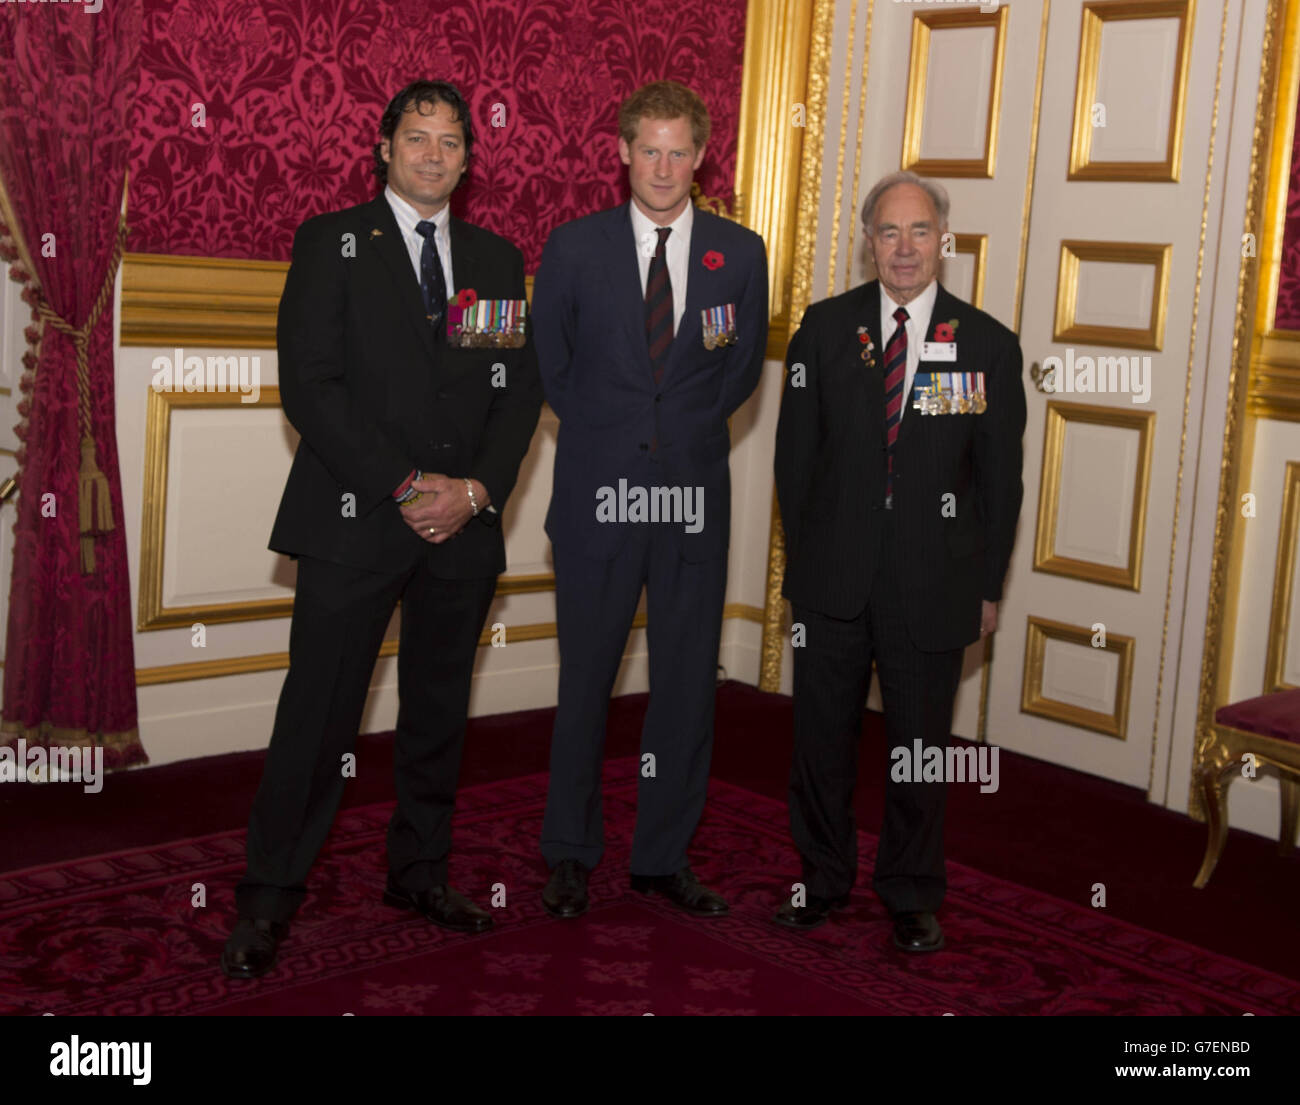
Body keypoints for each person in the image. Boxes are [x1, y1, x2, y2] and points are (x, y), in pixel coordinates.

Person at [221, 80, 542, 979]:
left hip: (463, 530)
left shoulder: (498, 256)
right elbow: (309, 389)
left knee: (438, 713)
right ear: (384, 147)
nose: (434, 154)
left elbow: (518, 394)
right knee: (317, 719)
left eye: (450, 142)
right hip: (355, 520)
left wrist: (475, 491)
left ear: (469, 159)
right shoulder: (332, 242)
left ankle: (420, 873)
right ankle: (268, 897)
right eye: (417, 138)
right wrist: (407, 485)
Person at [532, 80, 768, 919]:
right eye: (649, 149)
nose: (664, 166)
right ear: (623, 152)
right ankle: (569, 851)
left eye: (680, 151)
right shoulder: (572, 248)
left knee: (683, 686)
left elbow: (737, 375)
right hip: (599, 494)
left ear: (700, 156)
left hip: (692, 500)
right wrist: (618, 436)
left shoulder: (739, 254)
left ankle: (662, 855)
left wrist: (678, 438)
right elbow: (551, 367)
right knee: (586, 681)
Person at [772, 171, 1025, 952]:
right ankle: (820, 878)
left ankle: (912, 890)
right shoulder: (823, 329)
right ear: (868, 242)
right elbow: (794, 465)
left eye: (920, 232)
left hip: (934, 581)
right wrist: (803, 571)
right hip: (833, 581)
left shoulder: (985, 343)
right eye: (889, 232)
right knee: (821, 740)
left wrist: (986, 590)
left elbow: (998, 485)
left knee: (920, 746)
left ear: (942, 241)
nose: (905, 248)